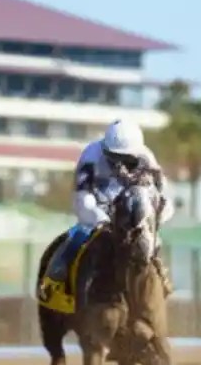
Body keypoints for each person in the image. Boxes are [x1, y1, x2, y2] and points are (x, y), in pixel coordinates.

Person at [49, 118, 176, 297]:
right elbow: (82, 195)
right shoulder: (91, 155)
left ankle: (159, 274)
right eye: (116, 156)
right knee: (82, 233)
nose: (121, 162)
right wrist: (99, 218)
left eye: (127, 158)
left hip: (130, 210)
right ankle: (61, 270)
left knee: (152, 241)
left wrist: (157, 216)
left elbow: (163, 194)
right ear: (106, 149)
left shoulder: (146, 157)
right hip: (97, 205)